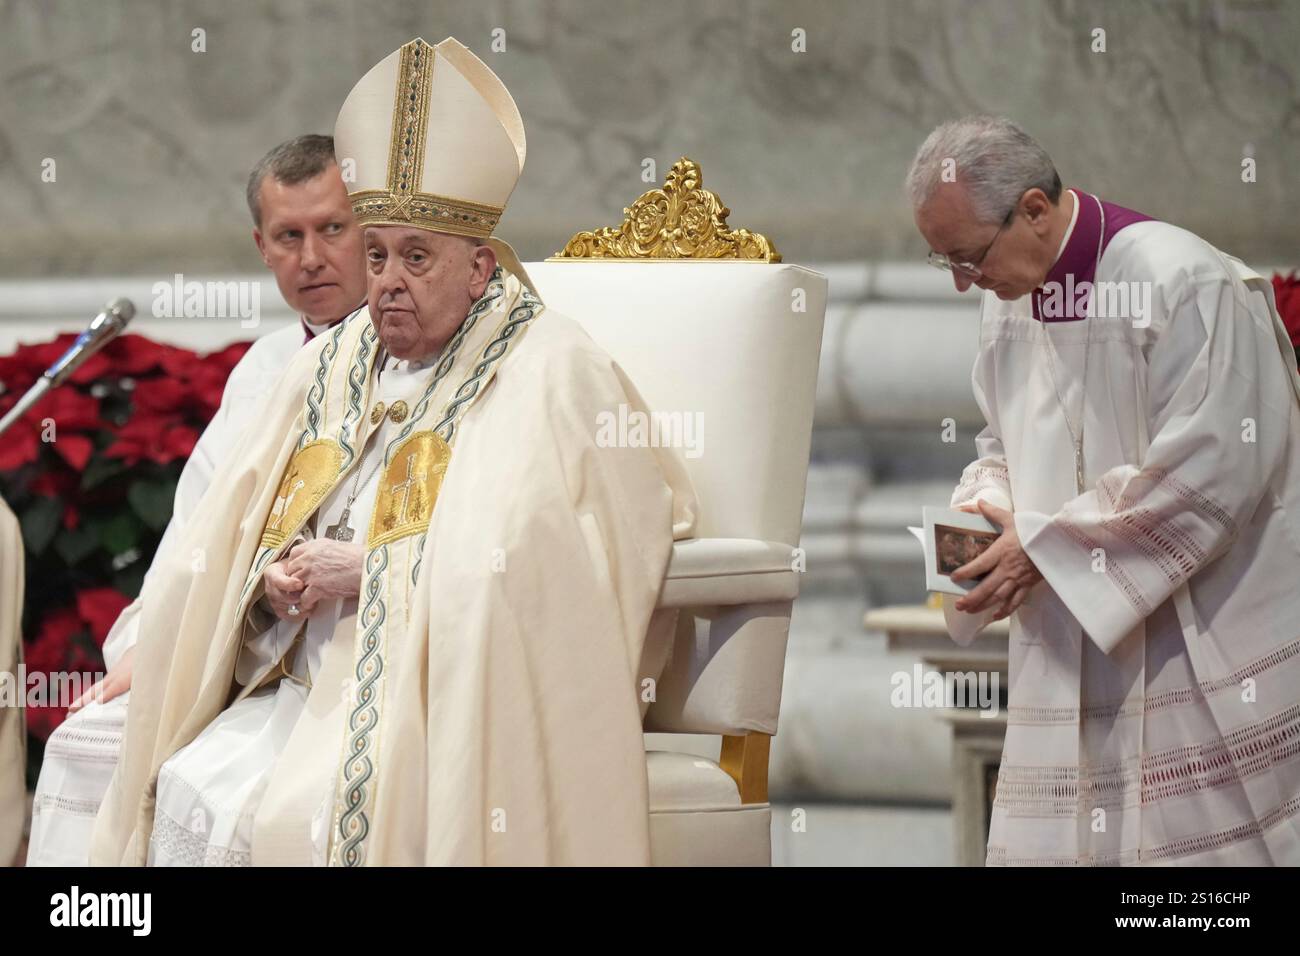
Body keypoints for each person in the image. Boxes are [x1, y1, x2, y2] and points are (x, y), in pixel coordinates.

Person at [91, 36, 697, 867]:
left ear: (481, 266)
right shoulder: (334, 361)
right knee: (188, 784)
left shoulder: (552, 367)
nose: (386, 283)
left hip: (444, 698)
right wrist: (267, 579)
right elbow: (231, 528)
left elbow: (565, 559)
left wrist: (374, 569)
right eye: (376, 257)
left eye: (416, 258)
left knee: (297, 822)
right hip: (299, 685)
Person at [908, 115, 1300, 865]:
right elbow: (1000, 439)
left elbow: (1215, 466)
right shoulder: (1008, 299)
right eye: (943, 263)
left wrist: (1047, 545)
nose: (964, 281)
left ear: (1033, 210)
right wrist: (984, 508)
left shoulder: (1180, 281)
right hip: (1070, 638)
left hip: (1196, 634)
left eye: (968, 257)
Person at [25, 134, 367, 866]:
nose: (312, 257)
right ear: (261, 247)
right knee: (83, 746)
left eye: (332, 228)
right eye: (289, 236)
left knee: (208, 797)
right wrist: (157, 651)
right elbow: (196, 539)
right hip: (236, 647)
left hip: (341, 663)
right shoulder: (264, 370)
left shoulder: (414, 359)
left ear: (370, 225)